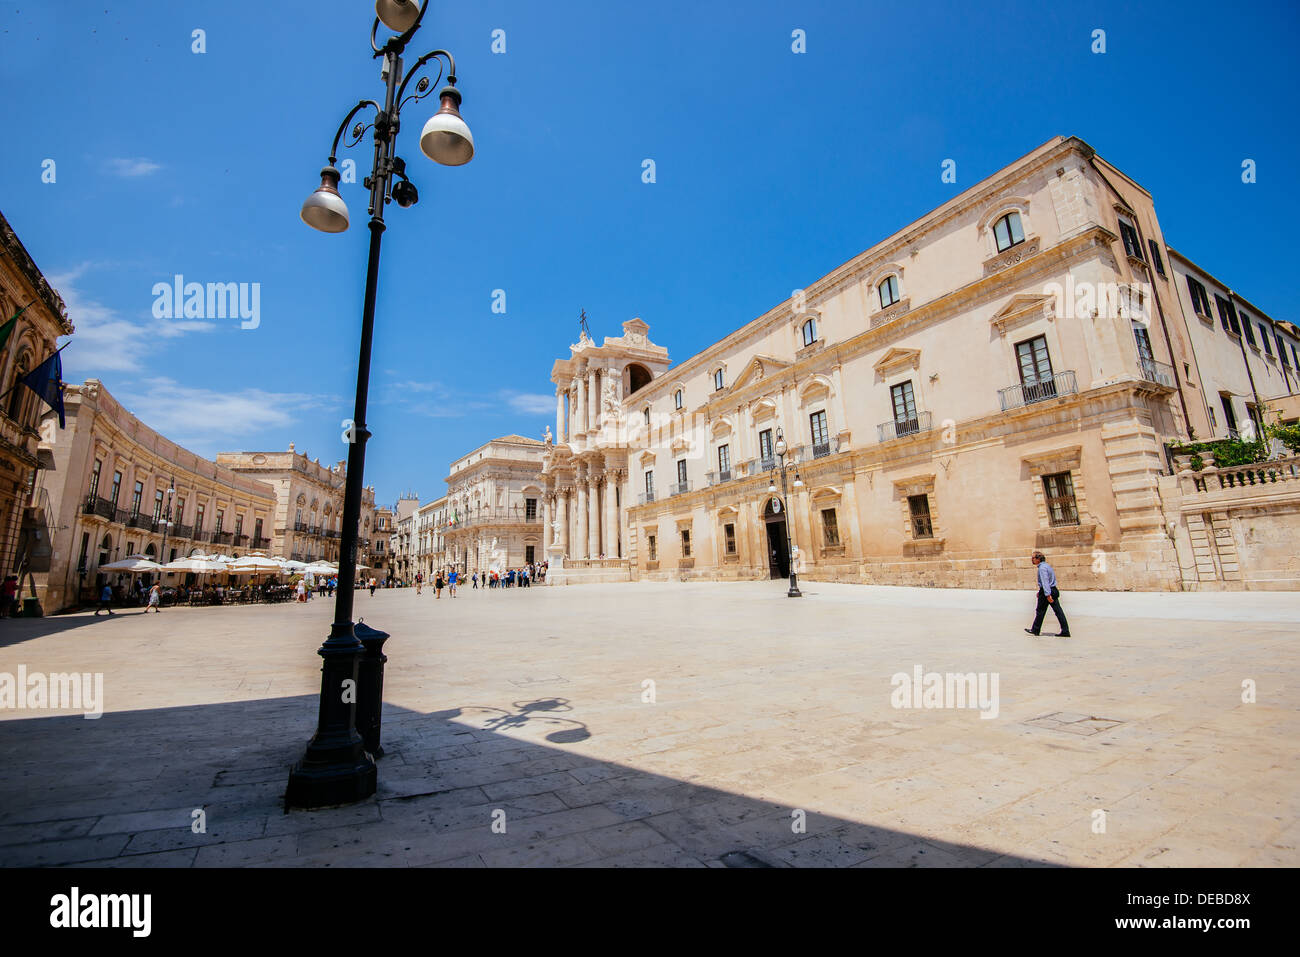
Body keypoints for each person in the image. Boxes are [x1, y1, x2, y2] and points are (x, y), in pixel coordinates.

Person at [1026, 551, 1071, 638]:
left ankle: (1035, 629)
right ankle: (1065, 630)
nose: (1032, 560)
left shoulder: (1042, 568)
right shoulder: (1047, 566)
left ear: (1038, 559)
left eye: (1033, 558)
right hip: (1052, 590)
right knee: (1058, 611)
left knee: (1040, 611)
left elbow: (1045, 581)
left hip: (1048, 592)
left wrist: (1047, 594)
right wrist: (1041, 592)